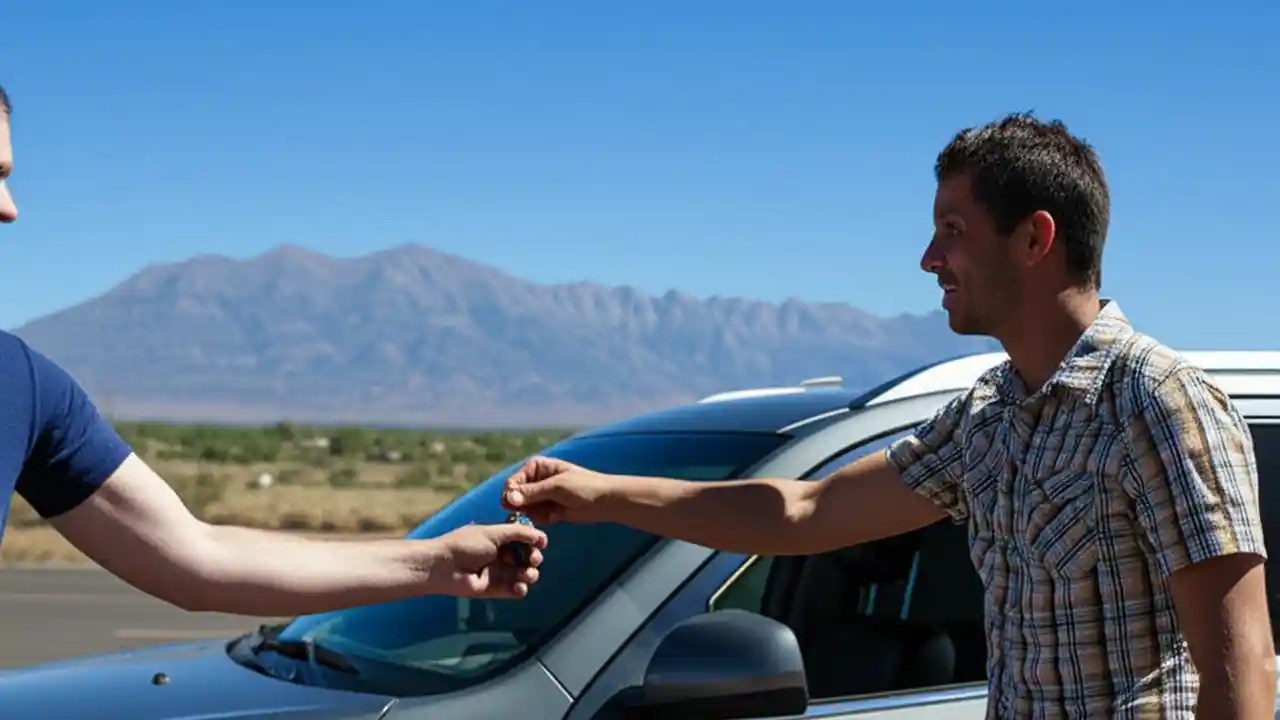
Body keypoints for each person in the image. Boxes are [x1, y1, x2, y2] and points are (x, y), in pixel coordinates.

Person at [505, 112, 1276, 718]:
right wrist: (603, 494)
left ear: (1035, 238)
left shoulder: (1158, 403)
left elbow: (1242, 668)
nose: (928, 260)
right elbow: (805, 509)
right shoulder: (989, 418)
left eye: (953, 232)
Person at [0, 83, 547, 615]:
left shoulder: (23, 386)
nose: (11, 209)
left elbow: (196, 558)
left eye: (8, 177)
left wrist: (433, 563)